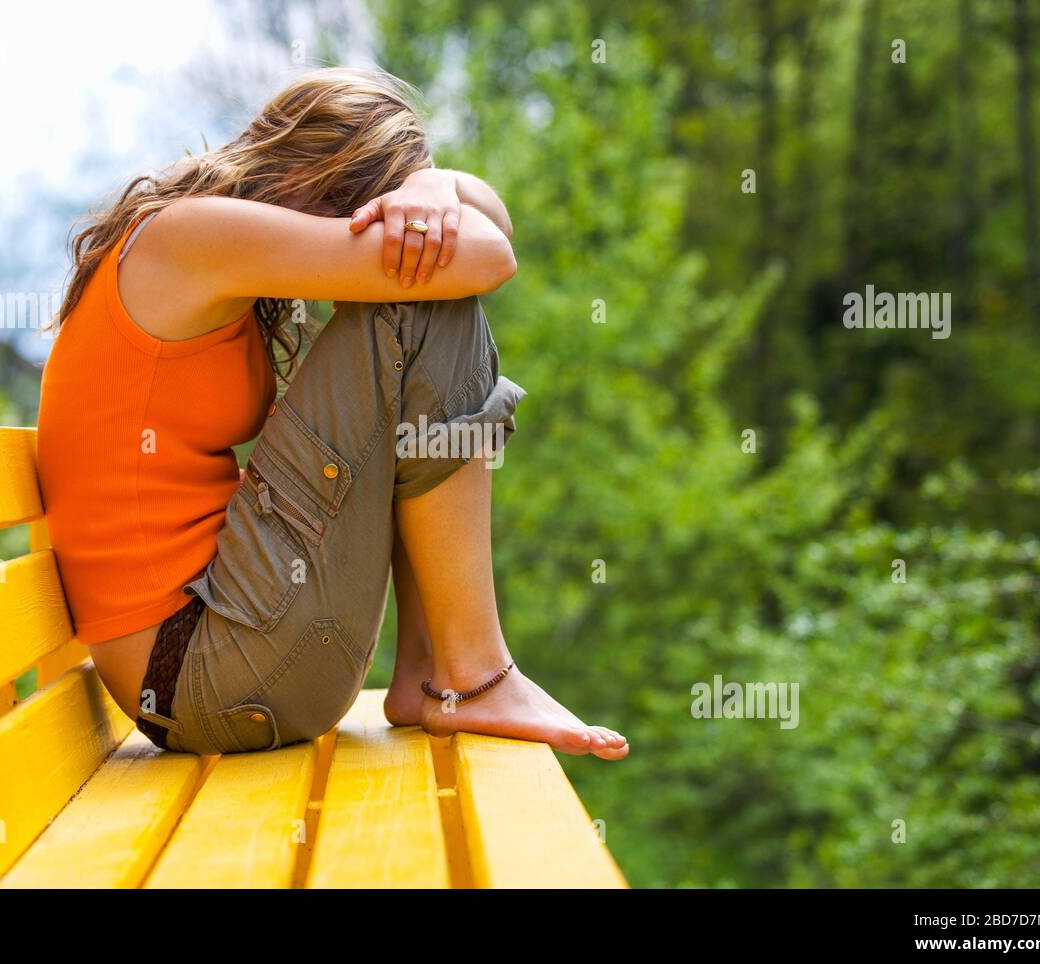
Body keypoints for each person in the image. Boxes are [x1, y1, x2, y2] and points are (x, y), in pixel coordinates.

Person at [37, 66, 628, 761]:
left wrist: (432, 185)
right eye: (370, 211)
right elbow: (487, 255)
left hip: (217, 662)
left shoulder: (193, 238)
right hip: (205, 673)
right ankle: (471, 677)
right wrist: (433, 201)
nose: (372, 231)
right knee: (423, 301)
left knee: (420, 302)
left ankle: (432, 671)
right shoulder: (189, 237)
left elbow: (491, 232)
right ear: (315, 177)